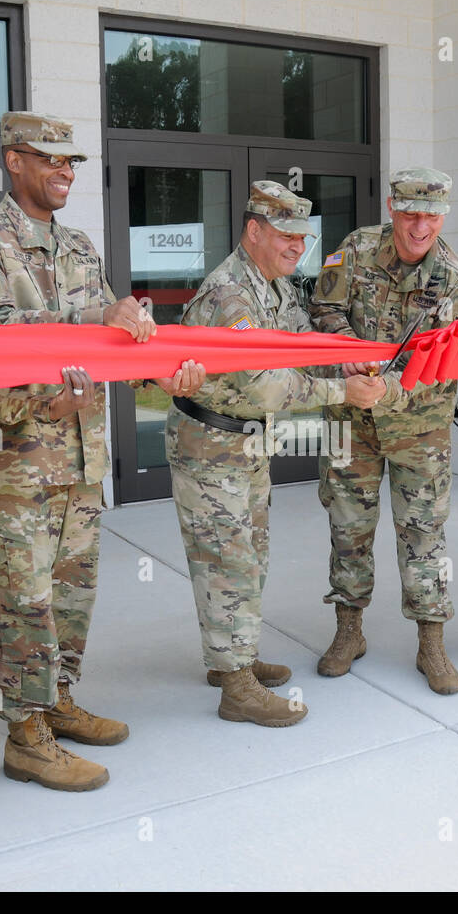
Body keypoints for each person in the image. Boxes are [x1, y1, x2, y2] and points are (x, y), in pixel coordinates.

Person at [0, 111, 204, 792]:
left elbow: (116, 341)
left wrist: (161, 365)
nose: (66, 170)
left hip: (81, 457)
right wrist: (90, 321)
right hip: (15, 461)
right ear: (13, 160)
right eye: (50, 158)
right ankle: (24, 734)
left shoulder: (81, 247)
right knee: (22, 600)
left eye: (72, 161)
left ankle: (55, 698)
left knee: (71, 594)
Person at [169, 181, 387, 726]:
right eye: (286, 236)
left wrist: (347, 366)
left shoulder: (278, 290)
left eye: (303, 238)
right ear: (254, 231)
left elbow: (302, 349)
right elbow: (267, 384)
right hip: (211, 447)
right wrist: (343, 392)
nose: (298, 248)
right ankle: (236, 686)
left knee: (251, 557)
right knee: (227, 562)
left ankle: (232, 660)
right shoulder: (231, 296)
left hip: (247, 444)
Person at [308, 168, 458, 694]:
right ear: (390, 207)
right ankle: (349, 631)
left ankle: (431, 641)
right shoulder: (355, 250)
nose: (418, 225)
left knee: (425, 536)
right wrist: (350, 360)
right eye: (408, 213)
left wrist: (390, 390)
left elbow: (452, 361)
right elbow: (323, 310)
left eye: (430, 215)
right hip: (349, 423)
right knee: (347, 528)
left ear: (444, 215)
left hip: (419, 428)